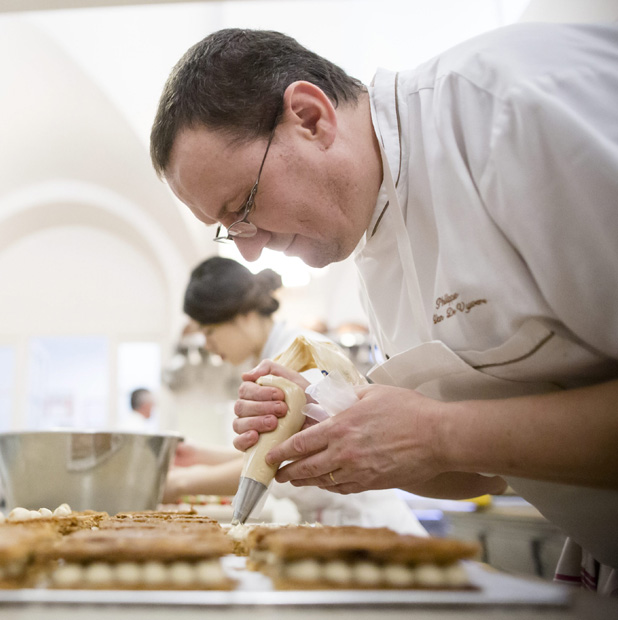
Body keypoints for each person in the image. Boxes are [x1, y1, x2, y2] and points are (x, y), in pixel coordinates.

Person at [151, 24, 618, 594]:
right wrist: (333, 437)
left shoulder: (507, 110)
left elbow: (452, 438)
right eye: (228, 231)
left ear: (310, 117)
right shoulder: (372, 243)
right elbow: (488, 467)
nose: (247, 248)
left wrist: (436, 433)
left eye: (242, 205)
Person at [164, 256, 425, 535]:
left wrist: (183, 483)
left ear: (243, 314)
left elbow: (282, 460)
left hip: (367, 525)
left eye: (210, 331)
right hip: (337, 525)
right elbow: (276, 453)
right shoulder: (274, 356)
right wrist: (200, 456)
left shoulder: (302, 353)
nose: (209, 345)